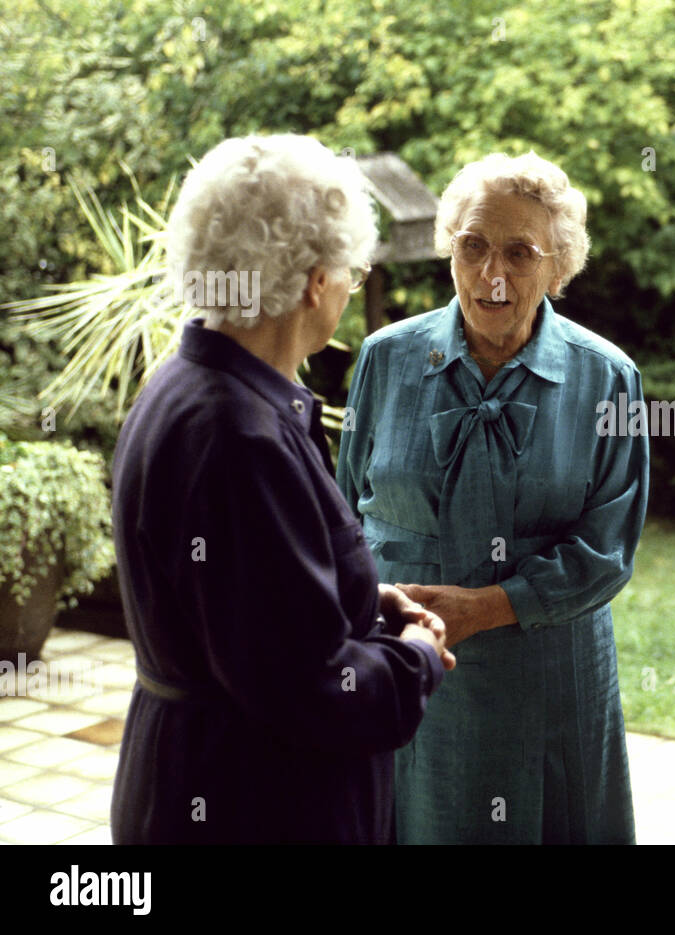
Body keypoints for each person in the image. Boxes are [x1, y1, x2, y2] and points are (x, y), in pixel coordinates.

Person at [111, 134, 454, 844]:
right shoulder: (240, 435)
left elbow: (254, 615)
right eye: (353, 270)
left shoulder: (191, 387)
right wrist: (416, 654)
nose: (351, 288)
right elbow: (310, 689)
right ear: (312, 282)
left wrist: (361, 601)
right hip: (252, 802)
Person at [336, 151, 649, 844]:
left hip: (548, 686)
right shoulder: (386, 359)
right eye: (473, 246)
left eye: (520, 252)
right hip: (410, 674)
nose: (491, 274)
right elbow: (341, 519)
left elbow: (608, 549)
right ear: (450, 245)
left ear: (558, 265)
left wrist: (487, 607)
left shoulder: (608, 379)